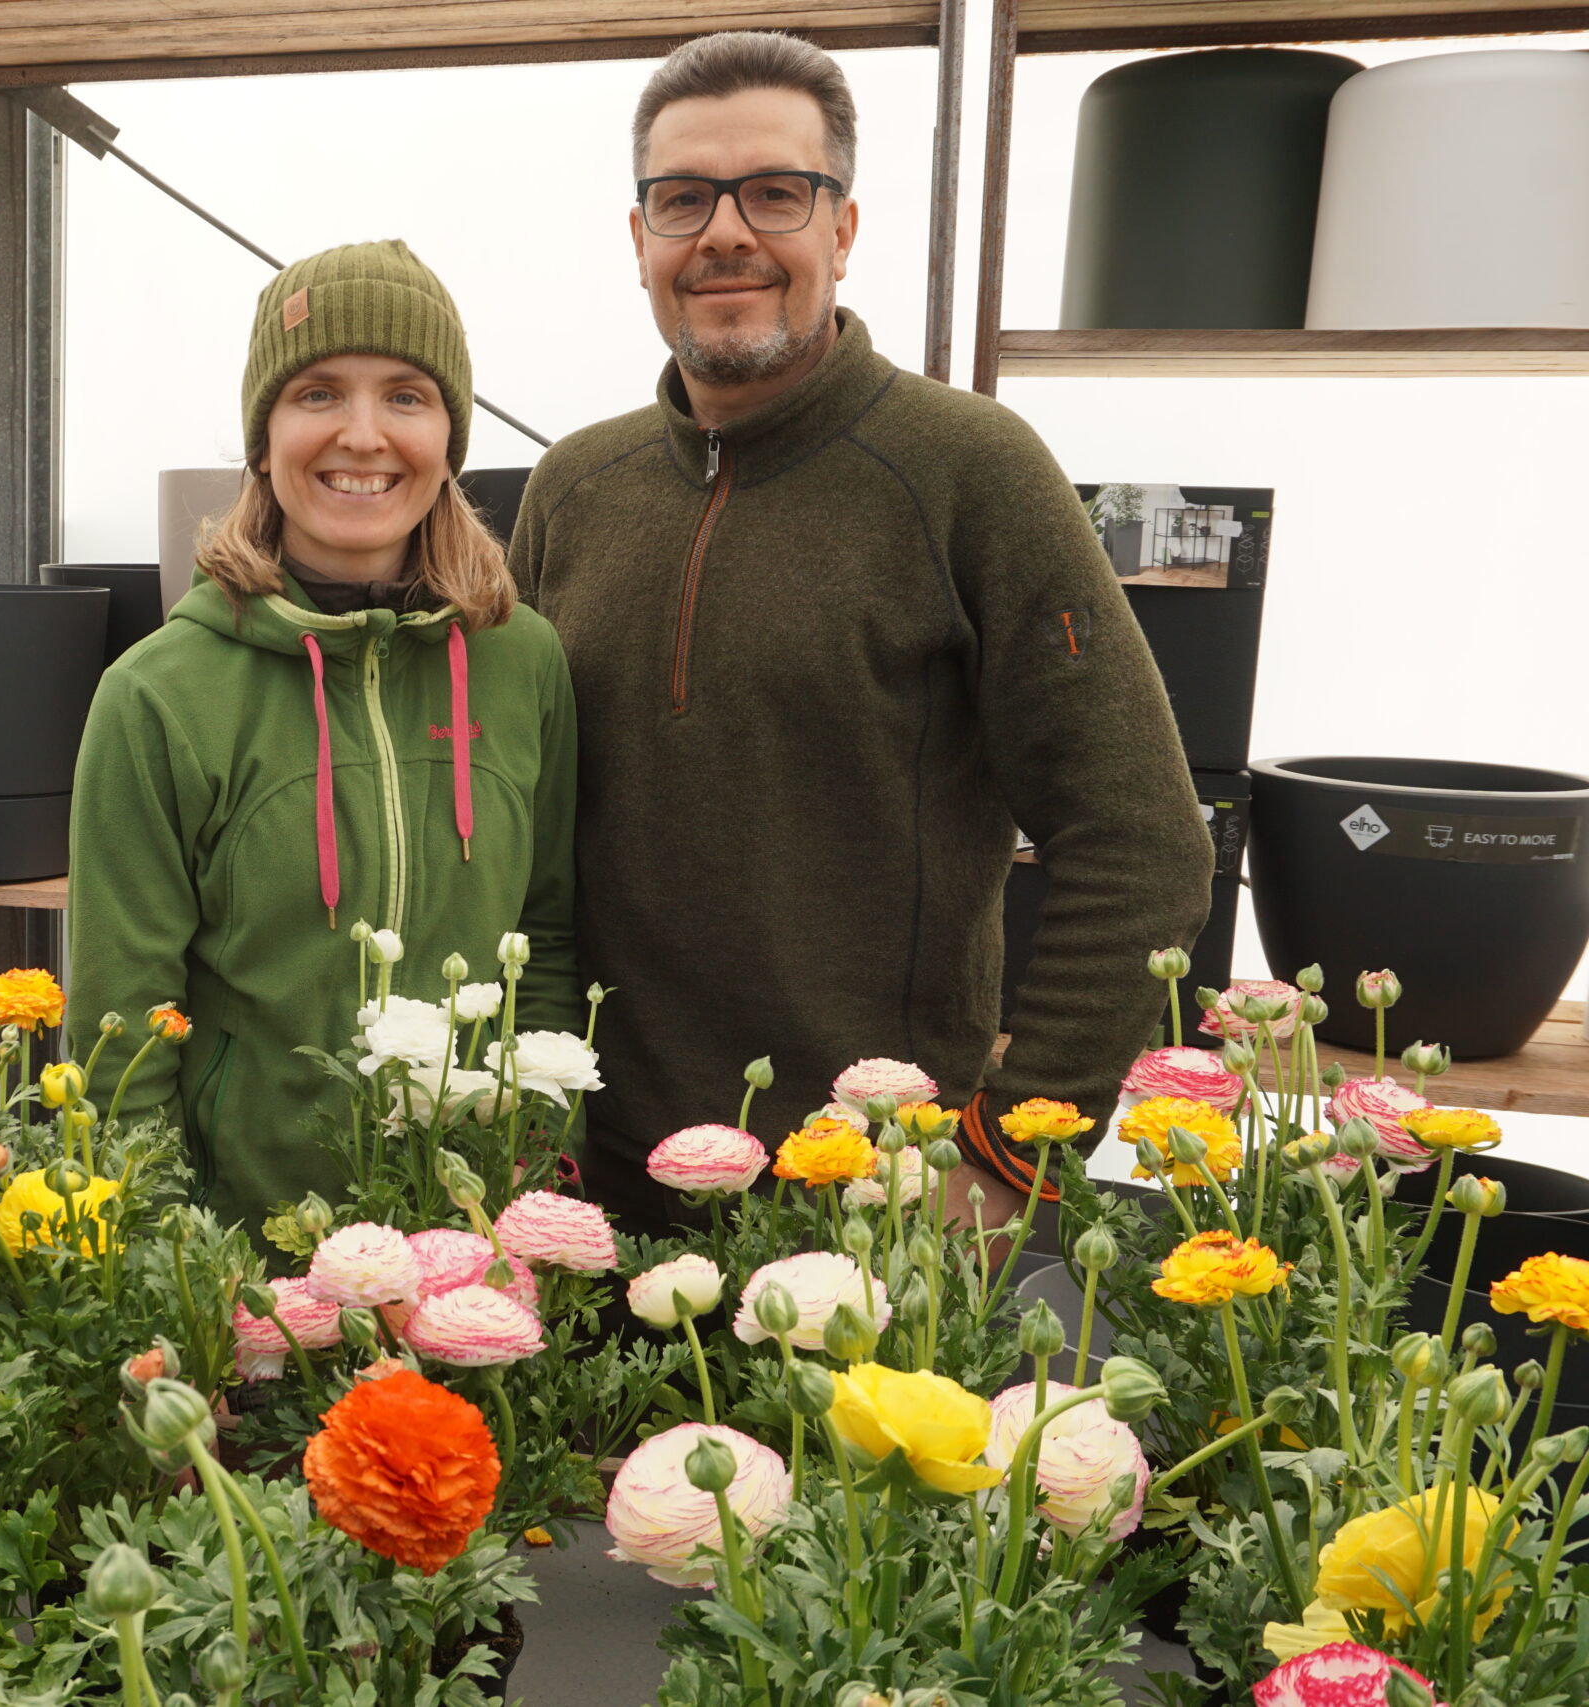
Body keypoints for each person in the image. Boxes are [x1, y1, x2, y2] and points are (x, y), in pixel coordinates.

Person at [507, 32, 1214, 1236]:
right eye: (682, 200)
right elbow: (520, 844)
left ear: (840, 230)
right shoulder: (575, 488)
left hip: (867, 1204)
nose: (725, 232)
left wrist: (1008, 1150)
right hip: (595, 1190)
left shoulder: (967, 470)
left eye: (776, 194)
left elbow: (1142, 841)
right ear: (640, 243)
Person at [69, 240, 581, 1229]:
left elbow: (548, 946)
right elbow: (118, 1032)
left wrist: (538, 1196)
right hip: (245, 1272)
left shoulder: (524, 664)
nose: (361, 435)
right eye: (315, 394)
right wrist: (167, 1280)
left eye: (404, 395)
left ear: (448, 436)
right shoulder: (158, 694)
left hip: (470, 1261)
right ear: (261, 439)